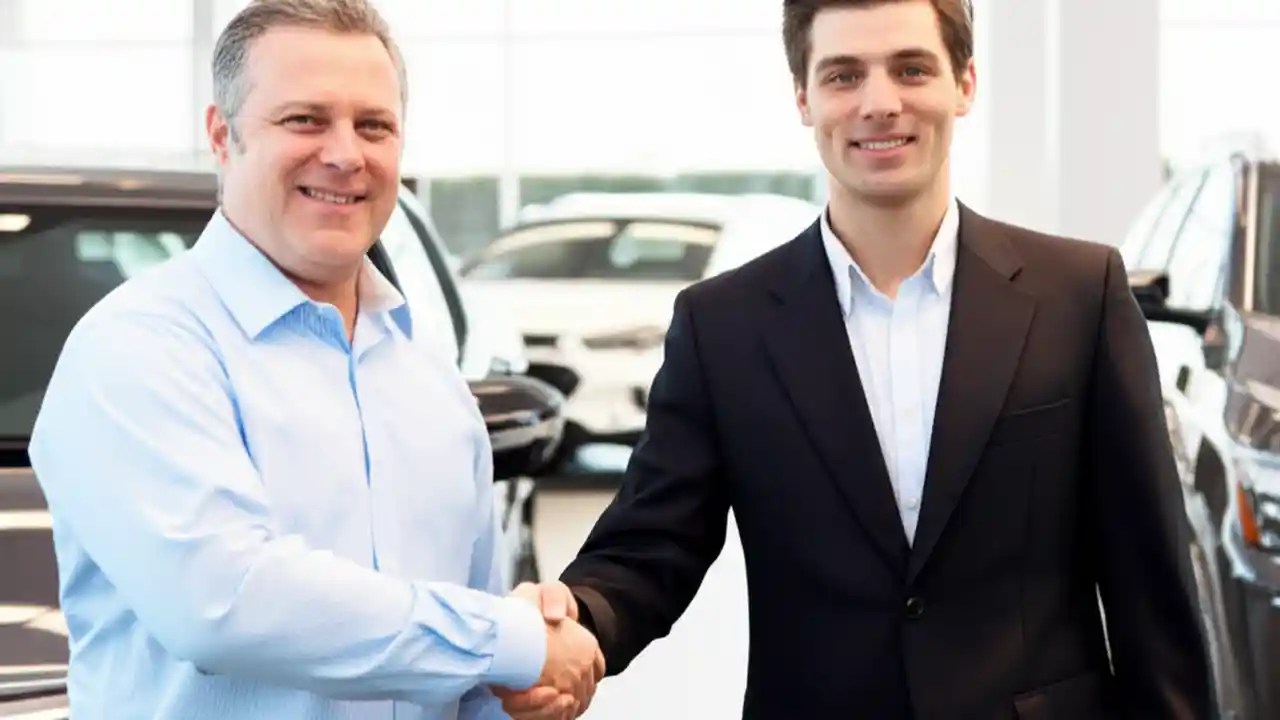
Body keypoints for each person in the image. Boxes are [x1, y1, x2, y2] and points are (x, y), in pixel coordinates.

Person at [500, 0, 1214, 718]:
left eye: (911, 68)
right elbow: (652, 545)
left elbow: (1150, 587)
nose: (880, 103)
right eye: (844, 75)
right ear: (804, 98)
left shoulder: (1078, 296)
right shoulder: (723, 327)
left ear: (964, 83)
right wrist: (576, 623)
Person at [28, 1, 602, 718]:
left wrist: (524, 681)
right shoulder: (140, 347)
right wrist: (511, 640)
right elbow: (224, 600)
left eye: (374, 125)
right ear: (221, 135)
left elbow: (475, 670)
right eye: (304, 119)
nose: (344, 154)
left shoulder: (427, 376)